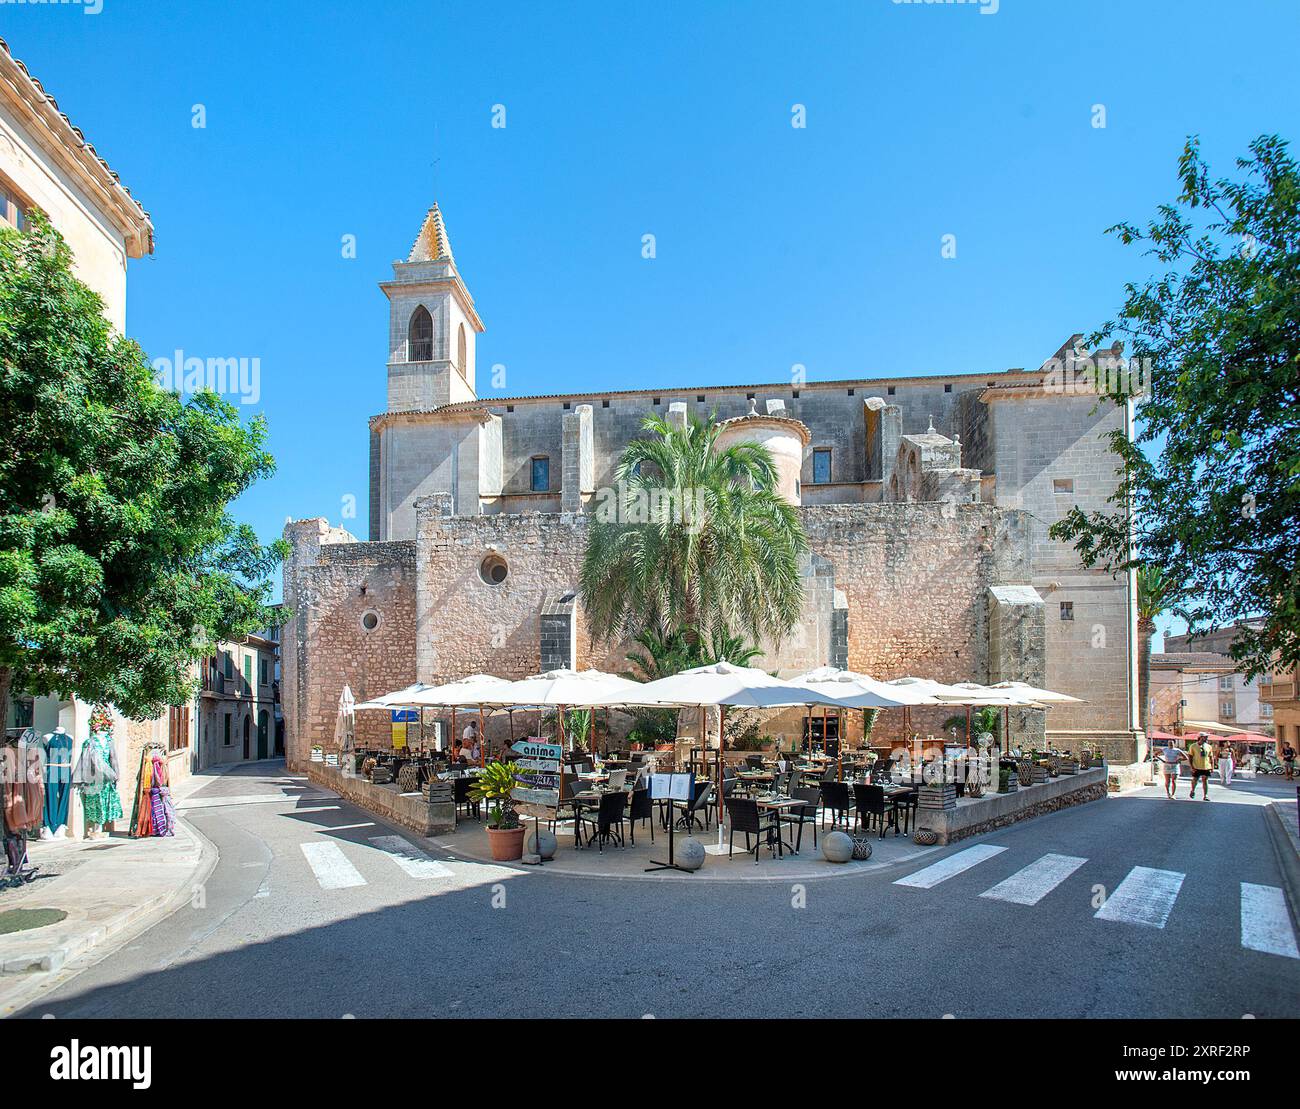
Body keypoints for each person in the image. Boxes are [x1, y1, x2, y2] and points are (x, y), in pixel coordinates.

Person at [1187, 733, 1215, 800]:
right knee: (1195, 779)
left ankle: (1206, 795)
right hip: (1196, 766)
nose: (1206, 738)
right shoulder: (1193, 746)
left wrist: (1212, 766)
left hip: (1206, 766)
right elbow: (1190, 757)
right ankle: (1193, 790)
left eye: (1206, 737)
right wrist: (1191, 766)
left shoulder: (1209, 746)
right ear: (1200, 737)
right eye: (1205, 737)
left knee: (1205, 780)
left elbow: (1211, 757)